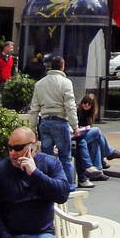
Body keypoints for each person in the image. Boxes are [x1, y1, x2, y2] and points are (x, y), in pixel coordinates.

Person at [30, 55, 96, 188]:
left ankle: (48, 185)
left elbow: (34, 108)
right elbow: (70, 106)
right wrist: (75, 126)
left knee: (46, 157)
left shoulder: (39, 83)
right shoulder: (66, 83)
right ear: (62, 66)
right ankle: (67, 185)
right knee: (65, 157)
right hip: (60, 122)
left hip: (45, 122)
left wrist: (32, 128)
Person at [75, 93, 120, 169]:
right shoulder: (77, 110)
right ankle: (109, 153)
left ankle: (98, 168)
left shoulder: (90, 114)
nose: (86, 105)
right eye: (85, 102)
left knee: (96, 142)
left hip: (83, 135)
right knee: (97, 131)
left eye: (89, 104)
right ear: (82, 102)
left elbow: (88, 127)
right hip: (76, 137)